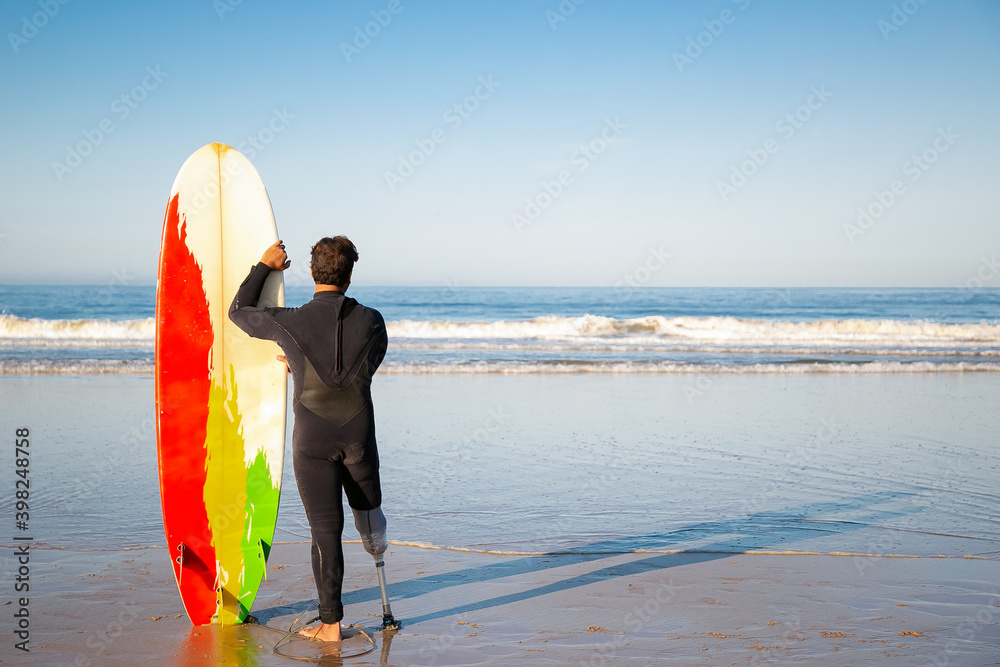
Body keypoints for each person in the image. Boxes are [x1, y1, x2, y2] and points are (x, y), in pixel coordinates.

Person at [229, 236, 389, 642]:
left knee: (324, 529)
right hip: (358, 435)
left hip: (313, 439)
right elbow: (363, 369)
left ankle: (330, 624)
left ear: (313, 272)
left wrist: (264, 265)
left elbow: (239, 311)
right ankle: (377, 546)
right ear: (350, 275)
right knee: (368, 513)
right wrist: (304, 367)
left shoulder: (292, 321)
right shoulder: (373, 321)